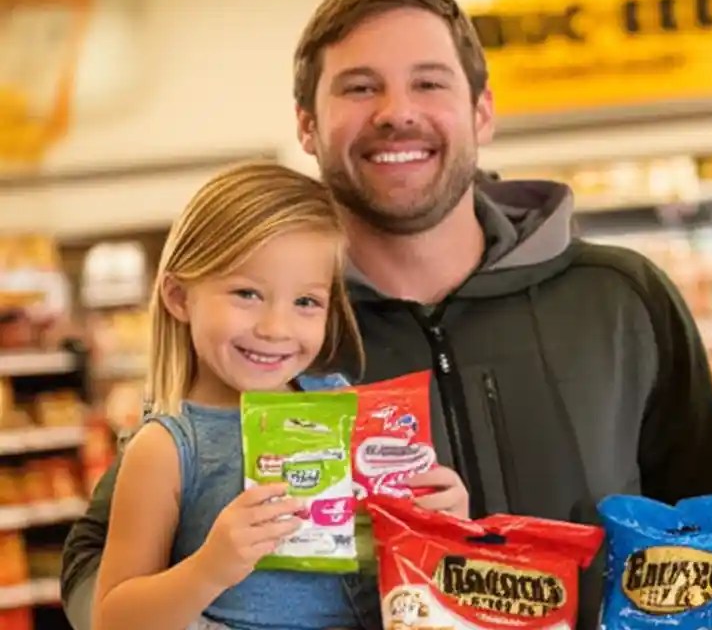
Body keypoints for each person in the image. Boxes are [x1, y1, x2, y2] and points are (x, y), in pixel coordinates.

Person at [62, 0, 712, 630]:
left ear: (481, 112)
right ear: (307, 124)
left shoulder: (620, 299)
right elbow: (97, 562)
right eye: (359, 88)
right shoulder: (273, 339)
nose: (396, 113)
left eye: (429, 82)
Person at [94, 161, 471, 630]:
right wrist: (210, 568)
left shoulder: (344, 406)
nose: (276, 329)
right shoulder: (167, 450)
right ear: (178, 296)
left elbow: (408, 572)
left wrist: (442, 523)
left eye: (306, 302)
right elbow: (113, 619)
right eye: (247, 294)